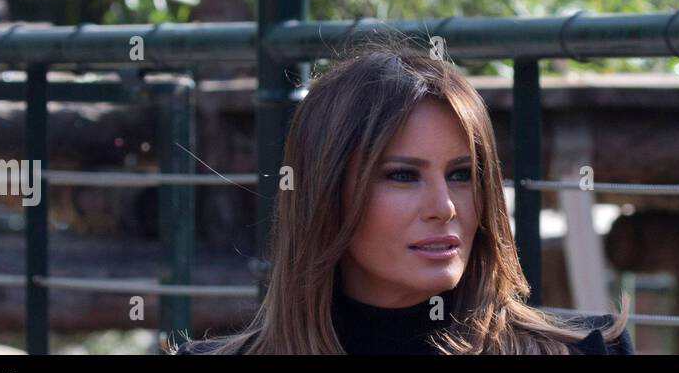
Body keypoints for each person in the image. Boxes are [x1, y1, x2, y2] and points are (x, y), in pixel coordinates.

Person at [173, 41, 632, 355]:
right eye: (402, 176)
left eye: (461, 174)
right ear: (324, 193)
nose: (444, 206)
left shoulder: (589, 350)